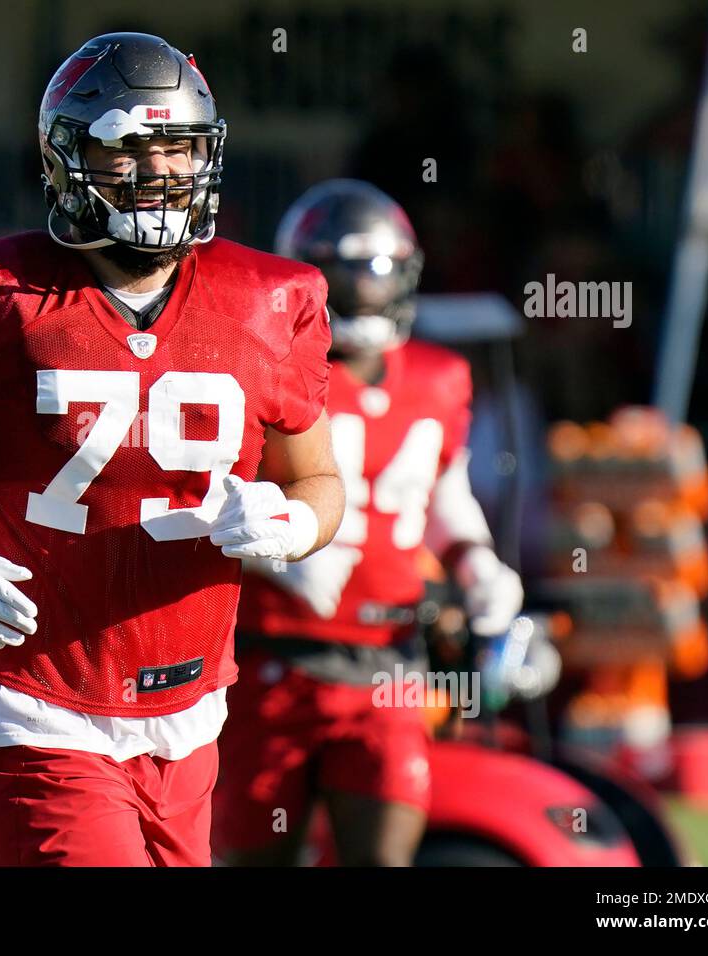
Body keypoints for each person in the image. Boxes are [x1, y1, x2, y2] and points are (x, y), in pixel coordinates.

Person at [0, 32, 344, 866]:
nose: (159, 176)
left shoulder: (266, 301)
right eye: (128, 152)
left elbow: (323, 481)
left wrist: (289, 524)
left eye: (178, 150)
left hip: (187, 712)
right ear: (69, 162)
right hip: (31, 704)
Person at [211, 180, 524, 866]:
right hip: (272, 659)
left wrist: (477, 562)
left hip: (387, 663)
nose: (365, 292)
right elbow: (202, 499)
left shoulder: (439, 377)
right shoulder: (263, 372)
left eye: (378, 272)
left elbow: (443, 496)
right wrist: (281, 548)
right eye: (346, 274)